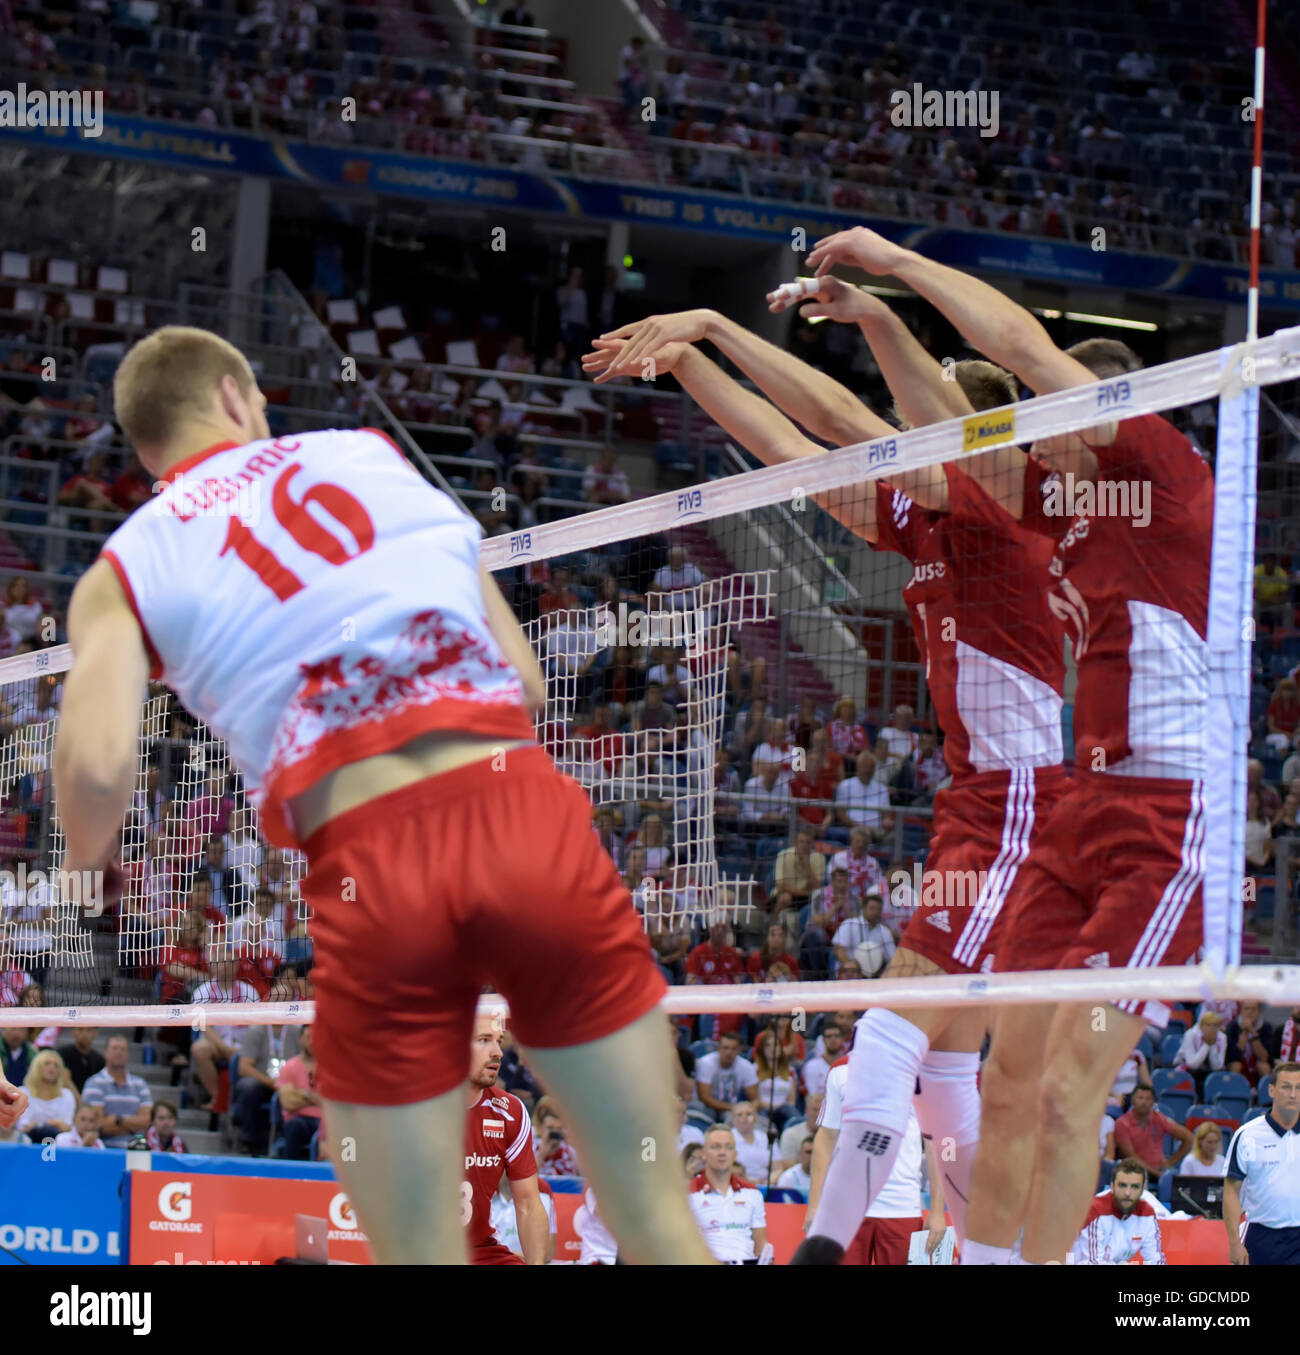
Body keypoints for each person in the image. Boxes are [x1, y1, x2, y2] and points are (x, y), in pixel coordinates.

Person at [50, 325, 712, 1265]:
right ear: (238, 395)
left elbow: (98, 764)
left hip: (369, 858)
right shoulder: (371, 456)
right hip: (516, 805)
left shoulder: (124, 566)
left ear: (145, 443)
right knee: (654, 1219)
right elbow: (523, 681)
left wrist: (92, 870)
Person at [586, 298, 1064, 1262]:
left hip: (1026, 794)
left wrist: (720, 324)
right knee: (947, 1065)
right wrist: (688, 365)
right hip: (982, 796)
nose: (893, 433)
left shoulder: (999, 501)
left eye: (914, 421)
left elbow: (848, 419)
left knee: (892, 1025)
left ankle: (824, 1247)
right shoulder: (927, 525)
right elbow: (799, 452)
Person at [796, 225, 1213, 1266]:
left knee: (1073, 1087)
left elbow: (1022, 347)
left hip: (1167, 815)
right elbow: (941, 431)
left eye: (1045, 423)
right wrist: (880, 324)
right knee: (1006, 1078)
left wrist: (896, 262)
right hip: (1078, 808)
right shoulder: (1055, 505)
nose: (1029, 441)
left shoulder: (1155, 470)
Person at [807, 1062, 947, 1266]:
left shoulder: (923, 1073)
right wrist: (814, 1205)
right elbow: (826, 1136)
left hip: (901, 1206)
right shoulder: (840, 1070)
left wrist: (937, 1211)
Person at [463, 1013, 550, 1265]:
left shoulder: (509, 1111)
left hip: (481, 1251)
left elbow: (527, 1203)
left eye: (499, 1041)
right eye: (484, 1040)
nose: (498, 1052)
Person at [1224, 1061, 1300, 1265]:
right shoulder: (1248, 1135)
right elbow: (1231, 1191)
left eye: (1299, 1087)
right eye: (1286, 1086)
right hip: (1261, 1236)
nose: (1293, 1094)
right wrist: (1234, 1243)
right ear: (1272, 1090)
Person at [687, 1124, 768, 1263]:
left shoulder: (752, 1192)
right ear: (703, 1153)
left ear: (735, 1154)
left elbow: (760, 1245)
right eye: (716, 1147)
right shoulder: (689, 1193)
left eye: (728, 1147)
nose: (722, 1152)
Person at [1070, 1159, 1166, 1265]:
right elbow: (1093, 1262)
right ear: (1112, 1186)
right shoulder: (1096, 1210)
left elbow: (1157, 1261)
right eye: (1122, 1185)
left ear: (1142, 1190)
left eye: (1135, 1187)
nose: (1128, 1193)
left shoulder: (1147, 1214)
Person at [81, 1033, 153, 1148]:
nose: (119, 1052)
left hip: (136, 1150)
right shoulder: (93, 1083)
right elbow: (95, 1124)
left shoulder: (140, 1085)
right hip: (102, 1149)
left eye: (123, 1049)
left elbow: (147, 1121)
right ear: (106, 1053)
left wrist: (117, 1120)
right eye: (114, 1048)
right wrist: (133, 1126)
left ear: (128, 1054)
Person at [1113, 1084, 1192, 1175]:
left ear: (1153, 1101)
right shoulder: (1122, 1123)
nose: (1144, 1102)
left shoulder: (1158, 1118)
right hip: (1132, 1171)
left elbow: (1188, 1138)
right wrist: (1157, 1174)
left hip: (1158, 1169)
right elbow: (1131, 1157)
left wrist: (1170, 1163)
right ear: (1133, 1101)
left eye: (1148, 1098)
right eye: (1140, 1098)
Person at [694, 1030, 759, 1121]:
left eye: (733, 1048)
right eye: (725, 1048)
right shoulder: (706, 1063)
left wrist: (746, 1110)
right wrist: (733, 1108)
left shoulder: (746, 1067)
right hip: (709, 1107)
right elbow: (704, 1097)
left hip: (734, 1109)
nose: (729, 1052)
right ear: (719, 1049)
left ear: (739, 1050)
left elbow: (755, 1099)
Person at [17, 1050, 79, 1143]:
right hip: (28, 1141)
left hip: (58, 1142)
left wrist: (39, 1124)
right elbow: (23, 1126)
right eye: (47, 1063)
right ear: (37, 1068)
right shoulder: (23, 1092)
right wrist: (53, 1123)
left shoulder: (67, 1095)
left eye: (56, 1065)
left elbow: (66, 1126)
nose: (52, 1067)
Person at [1175, 1010, 1227, 1098]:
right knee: (1192, 1074)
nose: (1211, 1029)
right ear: (1201, 1026)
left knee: (1218, 1076)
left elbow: (1217, 1066)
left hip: (1209, 1069)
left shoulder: (1222, 1038)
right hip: (1189, 1069)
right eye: (1208, 1025)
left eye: (1215, 1026)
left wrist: (1212, 1044)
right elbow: (1192, 1064)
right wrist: (1206, 1045)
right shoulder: (1190, 1035)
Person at [1225, 1000, 1273, 1086]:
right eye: (1246, 1009)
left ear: (1259, 1012)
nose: (1250, 1012)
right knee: (1236, 1065)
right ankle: (1233, 1095)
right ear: (1241, 1012)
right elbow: (1233, 1056)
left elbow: (1265, 1057)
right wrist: (1244, 1031)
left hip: (1256, 1066)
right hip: (1240, 1064)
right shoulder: (1232, 1027)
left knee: (1264, 1066)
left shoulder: (1266, 1027)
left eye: (1253, 1009)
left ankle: (1266, 1097)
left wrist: (1252, 1032)